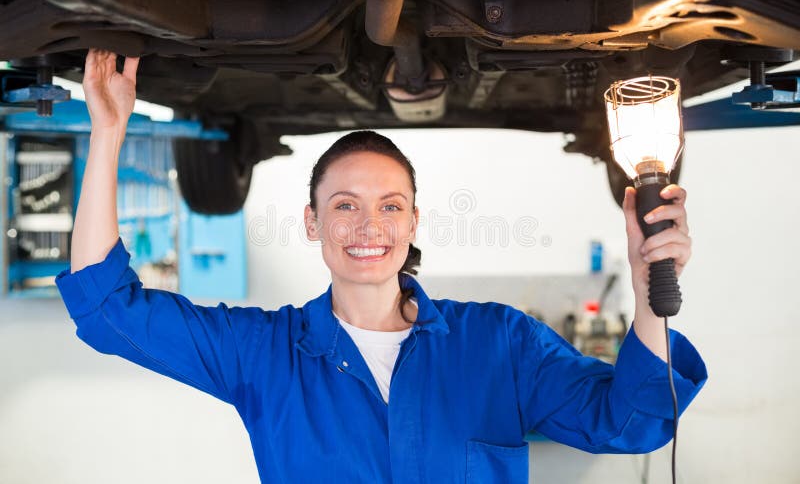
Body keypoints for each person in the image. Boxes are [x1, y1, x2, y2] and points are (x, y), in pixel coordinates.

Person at [56, 49, 707, 484]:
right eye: (345, 205)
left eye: (390, 205)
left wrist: (650, 277)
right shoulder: (262, 354)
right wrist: (108, 133)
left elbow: (632, 422)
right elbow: (105, 309)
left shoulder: (499, 344)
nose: (370, 226)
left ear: (414, 222)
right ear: (312, 223)